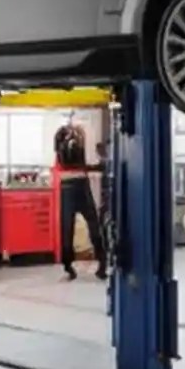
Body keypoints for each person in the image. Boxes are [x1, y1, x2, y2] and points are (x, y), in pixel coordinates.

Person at [53, 112, 107, 281]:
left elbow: (72, 158)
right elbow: (65, 158)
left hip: (75, 186)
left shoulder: (75, 136)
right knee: (77, 226)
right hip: (75, 185)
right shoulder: (65, 138)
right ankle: (73, 265)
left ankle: (98, 264)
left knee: (84, 226)